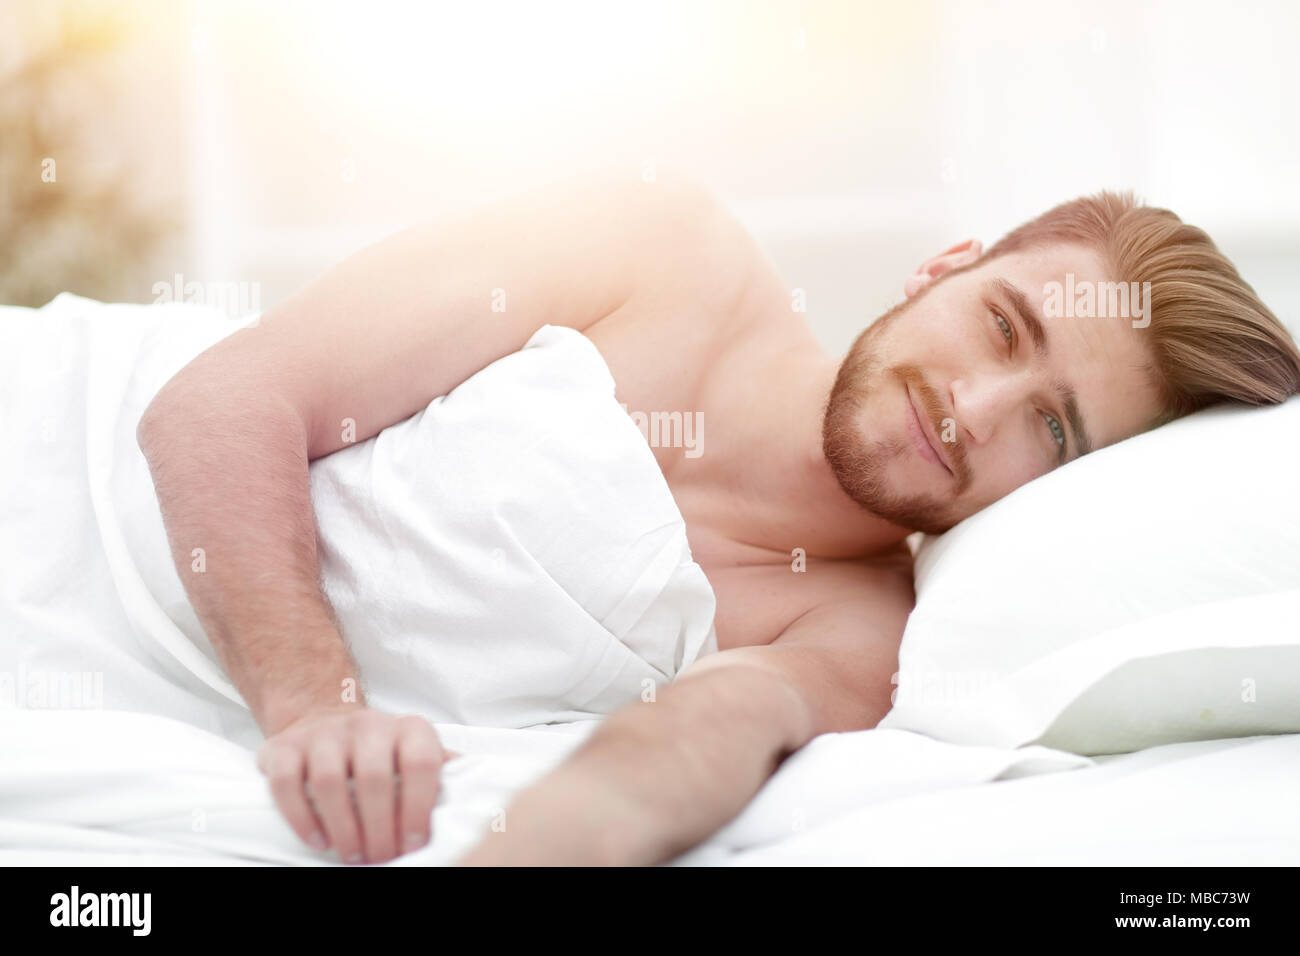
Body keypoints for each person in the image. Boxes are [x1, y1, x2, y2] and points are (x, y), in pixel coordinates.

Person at [136, 169, 1300, 865]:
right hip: (92, 466)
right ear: (942, 266)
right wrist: (310, 704)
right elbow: (224, 401)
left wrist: (538, 847)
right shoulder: (665, 252)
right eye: (1002, 328)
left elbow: (679, 748)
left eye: (1051, 431)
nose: (973, 409)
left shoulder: (859, 634)